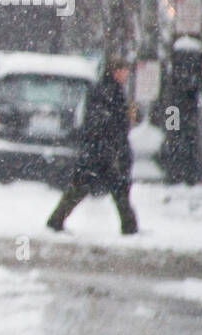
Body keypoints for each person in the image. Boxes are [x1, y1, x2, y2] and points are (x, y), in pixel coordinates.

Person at [46, 55, 138, 235]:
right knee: (95, 187)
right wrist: (114, 136)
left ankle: (130, 226)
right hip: (101, 151)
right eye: (124, 70)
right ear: (115, 71)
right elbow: (101, 121)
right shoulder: (105, 90)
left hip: (103, 150)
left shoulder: (114, 90)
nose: (126, 74)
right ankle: (129, 227)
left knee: (107, 188)